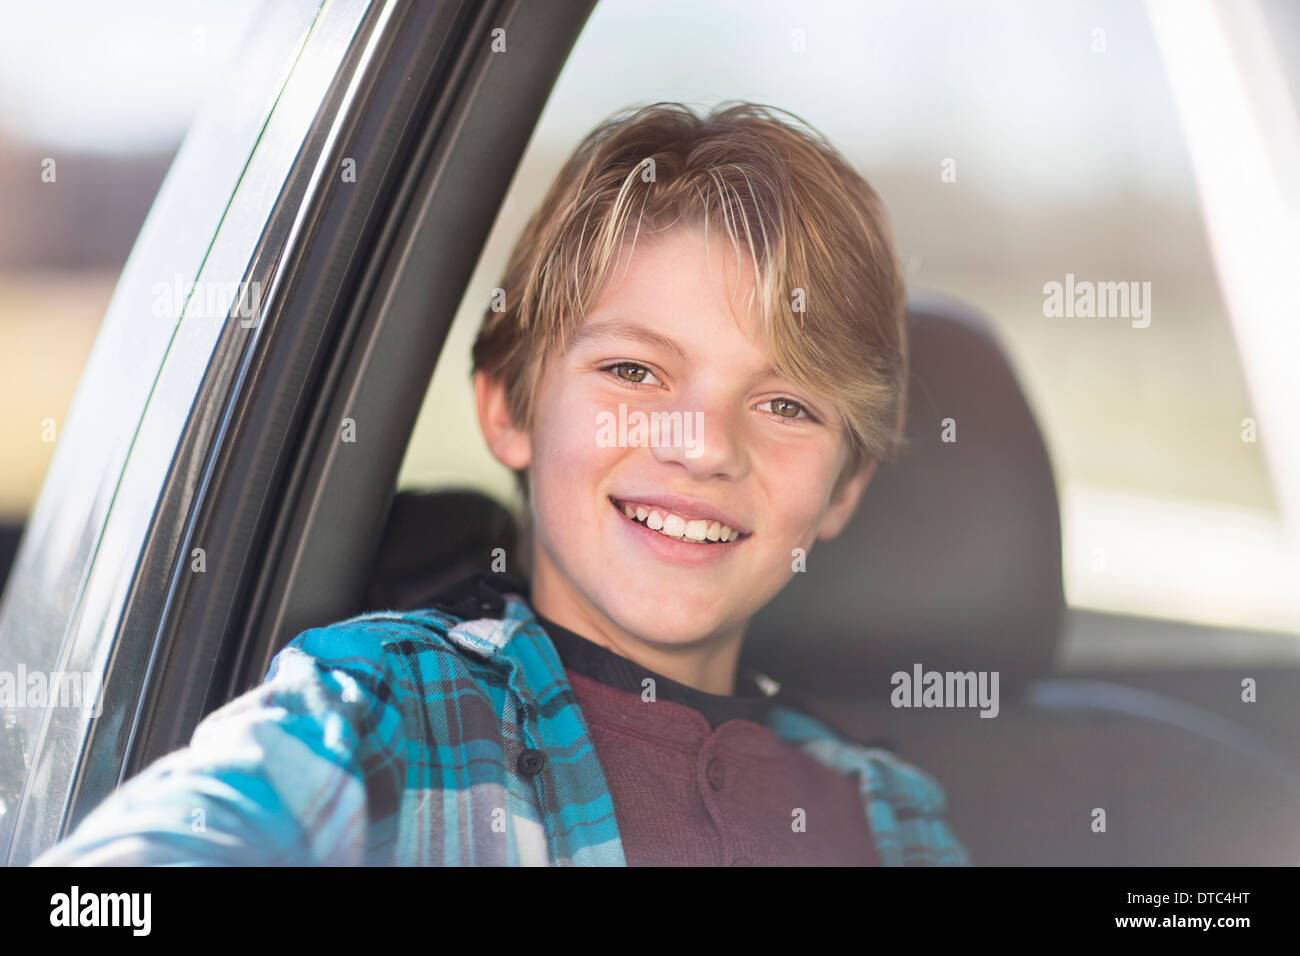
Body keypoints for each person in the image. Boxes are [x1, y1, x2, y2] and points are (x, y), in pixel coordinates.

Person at [33, 101, 969, 866]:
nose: (702, 447)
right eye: (634, 373)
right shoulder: (382, 712)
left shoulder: (889, 817)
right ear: (509, 409)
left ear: (845, 490)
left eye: (787, 406)